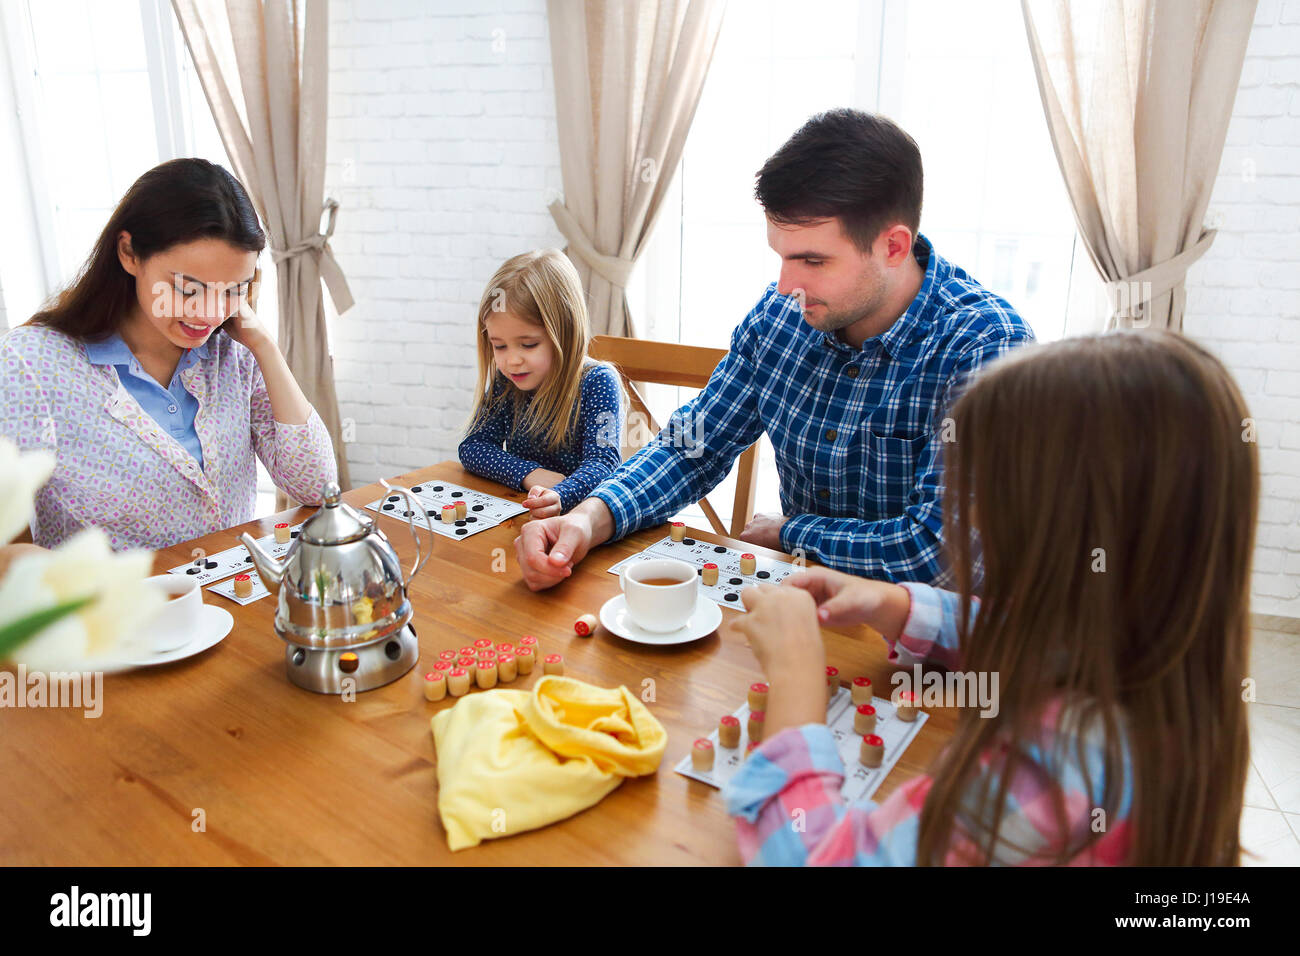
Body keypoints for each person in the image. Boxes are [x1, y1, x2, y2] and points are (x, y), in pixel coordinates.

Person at [727, 330, 1256, 866]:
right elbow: (1048, 637)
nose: (972, 516)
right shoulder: (1172, 671)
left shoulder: (1050, 775)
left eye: (991, 492)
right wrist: (896, 606)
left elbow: (819, 858)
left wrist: (795, 680)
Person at [515, 109, 1034, 590]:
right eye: (780, 257)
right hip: (801, 612)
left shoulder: (988, 348)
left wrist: (793, 533)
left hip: (931, 654)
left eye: (812, 261)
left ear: (893, 247)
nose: (786, 286)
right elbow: (693, 446)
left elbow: (940, 554)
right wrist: (588, 518)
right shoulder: (780, 317)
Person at [0, 158, 337, 551]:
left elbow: (315, 486)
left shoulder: (233, 353)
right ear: (128, 253)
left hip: (236, 604)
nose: (210, 313)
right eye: (188, 288)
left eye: (234, 289)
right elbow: (9, 549)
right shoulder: (32, 365)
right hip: (121, 609)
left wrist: (264, 345)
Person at [459, 249, 623, 519]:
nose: (512, 360)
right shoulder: (507, 381)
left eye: (528, 344)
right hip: (526, 514)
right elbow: (474, 446)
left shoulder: (598, 381)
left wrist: (560, 493)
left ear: (566, 331)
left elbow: (602, 464)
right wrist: (529, 475)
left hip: (581, 521)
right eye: (499, 346)